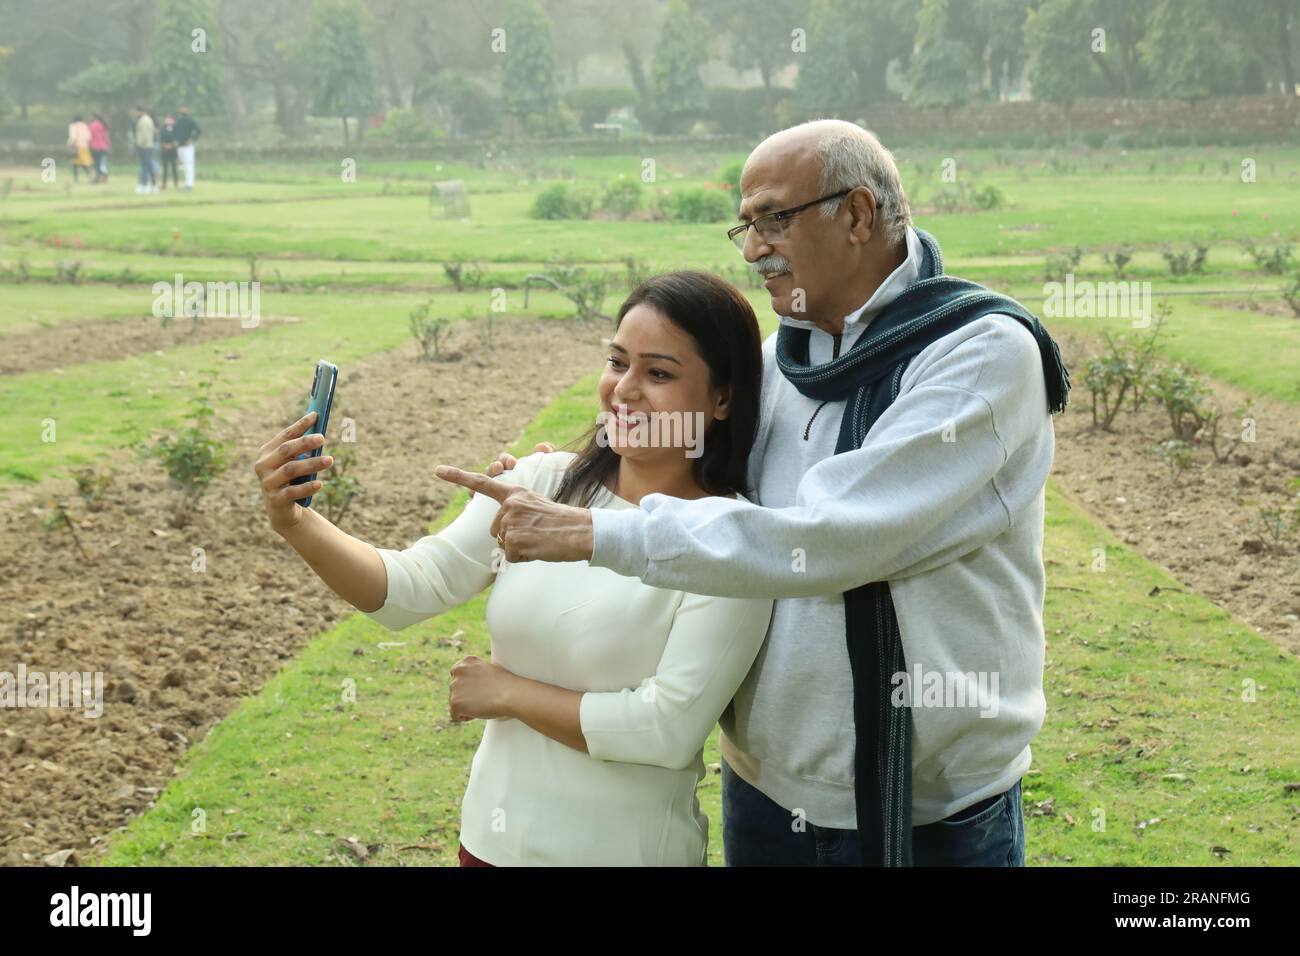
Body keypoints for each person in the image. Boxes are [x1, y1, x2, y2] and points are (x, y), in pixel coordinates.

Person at [475, 119, 1072, 867]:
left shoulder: (981, 354)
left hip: (934, 814)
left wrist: (593, 535)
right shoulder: (781, 358)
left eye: (774, 219)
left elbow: (834, 536)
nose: (755, 248)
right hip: (767, 798)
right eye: (746, 226)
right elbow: (692, 460)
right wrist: (561, 478)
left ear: (857, 214)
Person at [253, 271, 773, 866]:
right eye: (617, 362)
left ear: (723, 398)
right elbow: (406, 590)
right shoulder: (539, 484)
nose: (624, 390)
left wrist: (509, 692)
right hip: (490, 844)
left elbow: (664, 731)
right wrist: (294, 522)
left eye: (658, 373)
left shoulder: (728, 541)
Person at [175, 105, 201, 190]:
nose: (183, 110)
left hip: (188, 147)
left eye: (184, 109)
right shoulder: (178, 121)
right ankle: (185, 184)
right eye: (181, 108)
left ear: (187, 110)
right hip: (180, 147)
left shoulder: (190, 121)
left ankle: (189, 185)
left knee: (189, 166)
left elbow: (199, 130)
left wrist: (192, 139)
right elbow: (174, 132)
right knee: (182, 166)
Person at [133, 106, 156, 194]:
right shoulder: (147, 119)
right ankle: (150, 185)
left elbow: (145, 135)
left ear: (141, 112)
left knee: (145, 166)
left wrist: (140, 144)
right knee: (147, 166)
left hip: (145, 147)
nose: (136, 114)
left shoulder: (144, 121)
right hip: (148, 146)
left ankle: (144, 185)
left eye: (137, 112)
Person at [66, 117, 93, 183]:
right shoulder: (85, 126)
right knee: (84, 163)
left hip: (77, 147)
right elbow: (89, 137)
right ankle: (90, 176)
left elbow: (73, 137)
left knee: (75, 163)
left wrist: (68, 144)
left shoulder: (73, 126)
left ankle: (76, 179)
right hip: (85, 147)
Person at [159, 114, 179, 190]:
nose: (169, 120)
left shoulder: (176, 129)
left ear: (173, 120)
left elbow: (177, 139)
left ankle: (176, 185)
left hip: (173, 151)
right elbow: (160, 139)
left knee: (174, 168)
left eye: (170, 119)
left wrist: (171, 145)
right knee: (165, 168)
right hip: (164, 151)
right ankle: (164, 185)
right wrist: (165, 145)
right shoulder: (163, 128)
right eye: (168, 119)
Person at [88, 114, 110, 183]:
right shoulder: (103, 124)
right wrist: (108, 145)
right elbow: (106, 137)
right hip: (104, 147)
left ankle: (97, 178)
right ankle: (103, 175)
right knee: (102, 163)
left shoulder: (92, 125)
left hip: (94, 147)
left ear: (94, 117)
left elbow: (89, 136)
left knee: (96, 163)